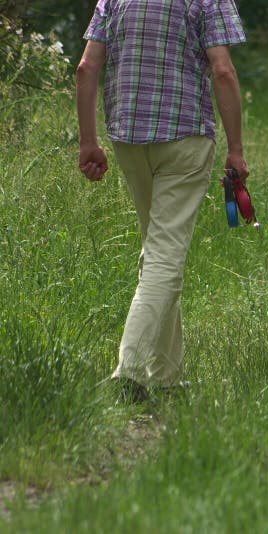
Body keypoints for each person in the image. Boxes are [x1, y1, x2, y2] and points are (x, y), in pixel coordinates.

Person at [76, 0, 249, 402]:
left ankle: (168, 377)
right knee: (165, 255)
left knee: (157, 252)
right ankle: (130, 372)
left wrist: (88, 141)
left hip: (128, 139)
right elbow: (222, 70)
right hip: (185, 138)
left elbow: (86, 67)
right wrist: (236, 149)